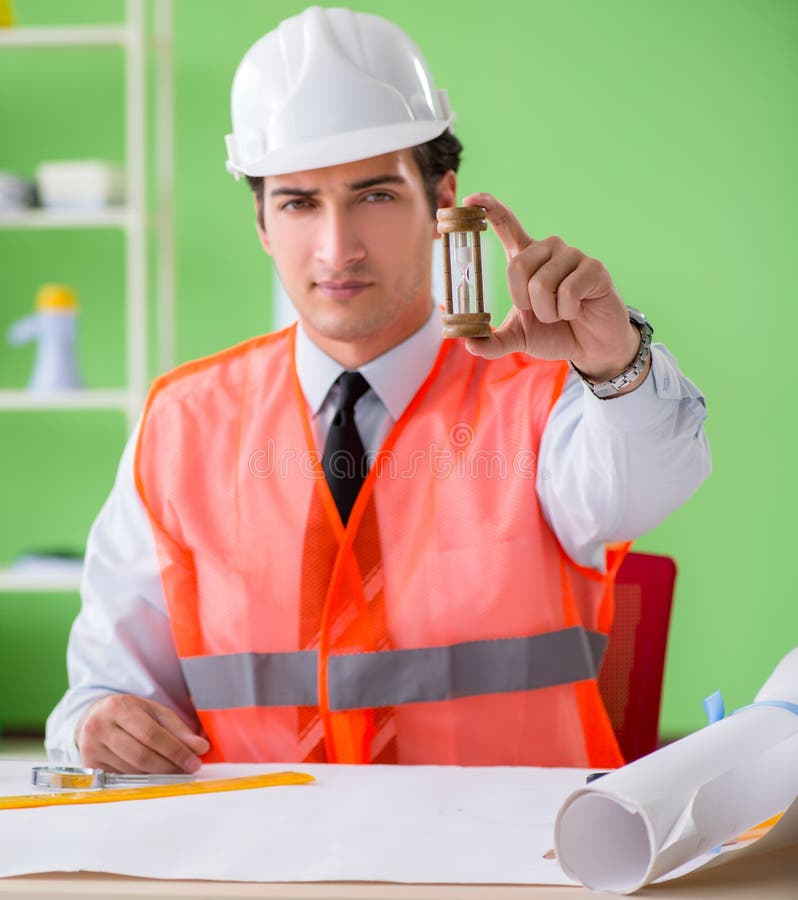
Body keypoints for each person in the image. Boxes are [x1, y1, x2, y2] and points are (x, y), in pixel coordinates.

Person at [46, 6, 710, 774]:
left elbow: (648, 486)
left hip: (514, 865)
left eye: (375, 195)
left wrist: (617, 363)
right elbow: (103, 690)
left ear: (441, 201)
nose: (338, 248)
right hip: (257, 865)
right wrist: (97, 721)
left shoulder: (547, 396)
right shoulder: (182, 424)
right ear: (262, 222)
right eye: (299, 202)